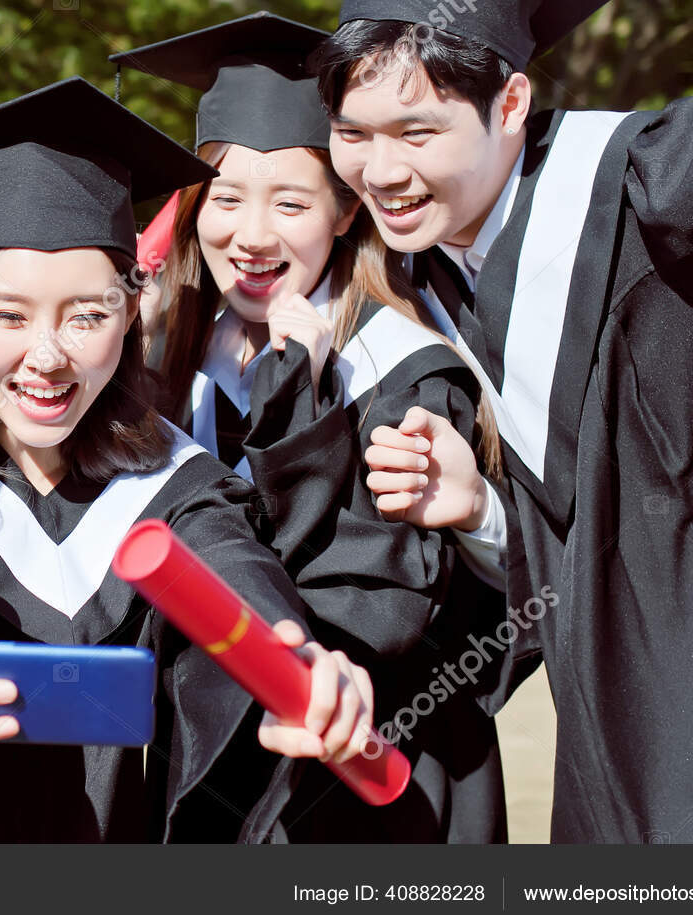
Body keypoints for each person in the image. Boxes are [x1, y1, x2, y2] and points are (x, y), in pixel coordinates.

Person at [0, 78, 380, 843]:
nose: (48, 357)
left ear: (129, 317)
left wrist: (302, 663)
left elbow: (233, 579)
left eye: (88, 315)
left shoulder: (174, 485)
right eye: (9, 315)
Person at [320, 0, 693, 841]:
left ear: (510, 105)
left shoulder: (664, 180)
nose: (379, 170)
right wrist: (483, 512)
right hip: (609, 769)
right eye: (352, 134)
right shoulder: (439, 274)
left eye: (416, 133)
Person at [113, 12, 506, 842]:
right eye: (225, 197)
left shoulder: (406, 377)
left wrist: (297, 392)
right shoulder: (176, 358)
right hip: (212, 761)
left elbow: (377, 612)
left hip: (370, 776)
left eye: (291, 201)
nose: (251, 235)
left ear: (344, 213)